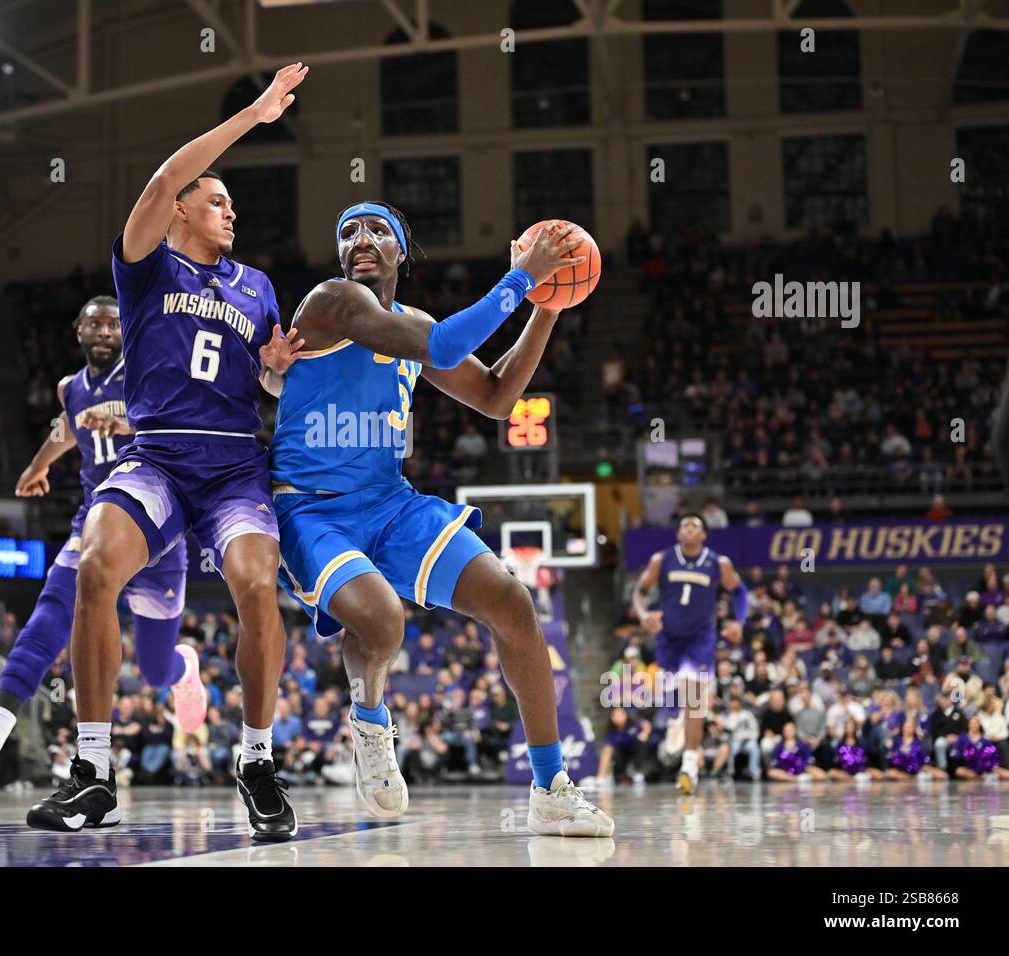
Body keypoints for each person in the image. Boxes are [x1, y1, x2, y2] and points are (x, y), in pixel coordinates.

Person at [26, 64, 309, 839]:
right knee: (95, 569)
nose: (232, 212)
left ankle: (257, 761)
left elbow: (268, 387)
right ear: (181, 209)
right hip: (156, 456)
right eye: (217, 201)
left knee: (258, 587)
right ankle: (92, 772)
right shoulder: (146, 264)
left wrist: (276, 373)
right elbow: (160, 179)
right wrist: (253, 114)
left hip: (234, 464)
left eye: (232, 205)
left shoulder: (258, 285)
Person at [268, 201, 612, 837]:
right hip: (311, 508)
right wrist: (522, 278)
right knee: (381, 620)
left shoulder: (416, 323)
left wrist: (547, 308)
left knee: (511, 601)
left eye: (378, 230)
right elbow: (445, 344)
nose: (361, 239)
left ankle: (550, 788)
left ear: (400, 252)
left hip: (389, 501)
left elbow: (498, 398)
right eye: (348, 232)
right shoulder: (332, 302)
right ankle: (370, 721)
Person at [0, 297, 199, 806]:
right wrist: (39, 465)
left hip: (157, 526)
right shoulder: (70, 388)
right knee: (47, 622)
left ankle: (184, 672)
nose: (104, 331)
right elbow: (68, 427)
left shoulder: (149, 369)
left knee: (154, 669)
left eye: (113, 323)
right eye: (94, 323)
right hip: (95, 523)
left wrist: (130, 422)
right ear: (78, 332)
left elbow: (183, 419)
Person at [634, 513, 747, 794]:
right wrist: (643, 615)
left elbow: (740, 592)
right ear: (678, 533)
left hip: (700, 637)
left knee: (694, 696)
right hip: (669, 637)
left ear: (704, 534)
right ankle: (675, 722)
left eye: (695, 525)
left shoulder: (718, 563)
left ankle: (689, 765)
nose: (689, 528)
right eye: (684, 525)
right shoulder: (662, 559)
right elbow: (641, 591)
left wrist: (739, 621)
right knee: (673, 699)